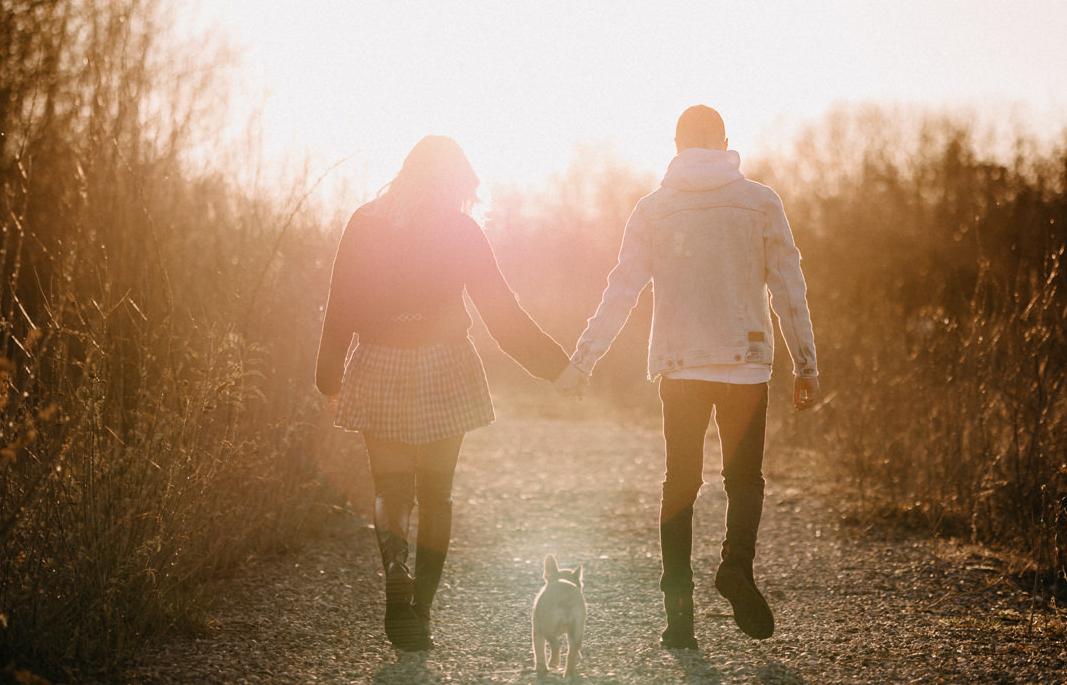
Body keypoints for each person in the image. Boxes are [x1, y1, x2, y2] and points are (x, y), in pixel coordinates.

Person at [316, 135, 588, 651]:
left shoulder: (365, 223)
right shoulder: (461, 230)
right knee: (436, 495)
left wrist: (328, 378)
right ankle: (419, 609)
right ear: (459, 182)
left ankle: (395, 574)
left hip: (378, 362)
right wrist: (559, 369)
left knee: (391, 488)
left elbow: (340, 304)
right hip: (445, 365)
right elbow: (502, 314)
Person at [567, 105, 820, 649]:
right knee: (745, 481)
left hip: (681, 366)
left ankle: (679, 618)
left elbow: (621, 290)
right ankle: (735, 566)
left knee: (680, 484)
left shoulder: (654, 209)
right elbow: (788, 287)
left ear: (677, 145)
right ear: (725, 143)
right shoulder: (760, 201)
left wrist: (584, 359)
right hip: (746, 362)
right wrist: (806, 364)